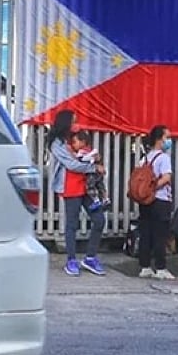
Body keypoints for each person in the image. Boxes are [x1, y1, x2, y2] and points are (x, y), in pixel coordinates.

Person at [45, 109, 106, 277]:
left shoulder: (77, 136)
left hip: (87, 187)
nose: (75, 124)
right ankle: (71, 260)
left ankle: (90, 258)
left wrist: (95, 157)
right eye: (73, 121)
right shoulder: (56, 143)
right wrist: (93, 167)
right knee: (72, 224)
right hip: (70, 187)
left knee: (99, 219)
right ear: (65, 123)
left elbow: (85, 154)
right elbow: (71, 164)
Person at [137, 125, 175, 281]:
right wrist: (153, 188)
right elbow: (166, 177)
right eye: (168, 137)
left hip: (145, 201)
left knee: (146, 233)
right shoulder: (163, 158)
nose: (169, 140)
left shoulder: (144, 158)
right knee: (160, 235)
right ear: (160, 139)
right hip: (160, 200)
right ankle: (161, 268)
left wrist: (146, 191)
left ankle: (145, 267)